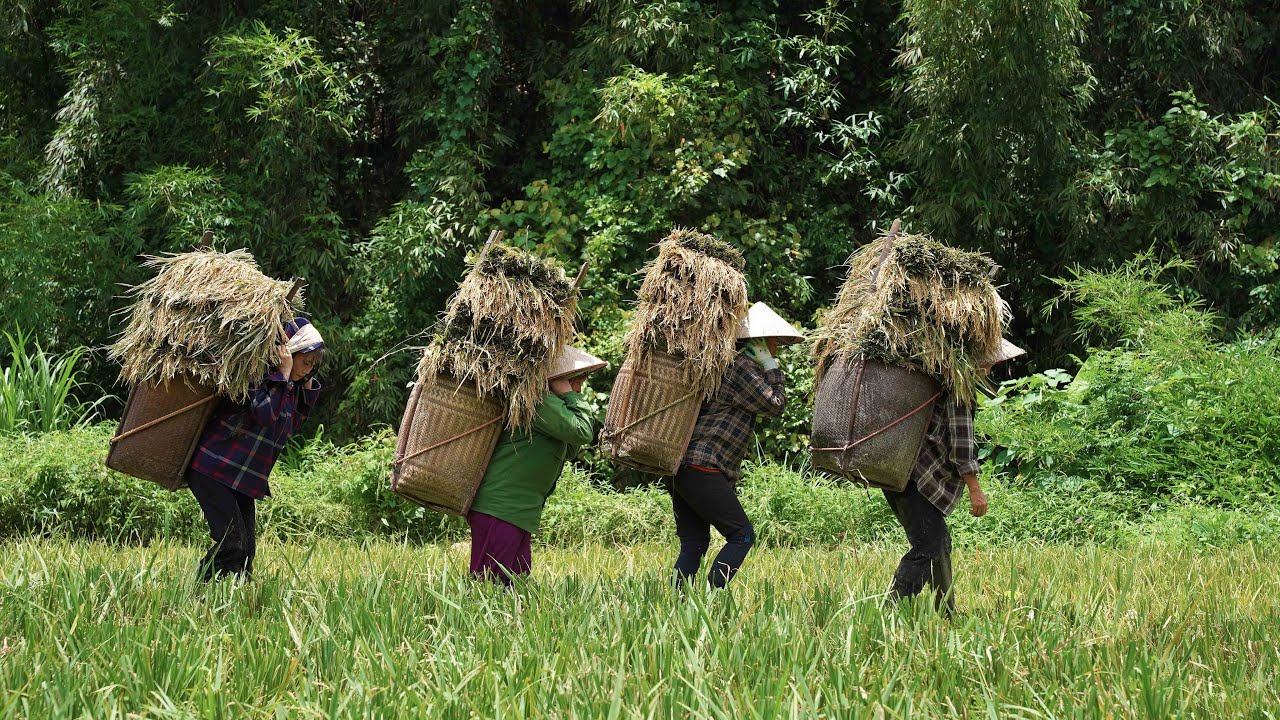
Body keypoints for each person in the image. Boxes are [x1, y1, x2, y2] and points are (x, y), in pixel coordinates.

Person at [882, 338, 1025, 614]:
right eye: (989, 363)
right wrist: (975, 489)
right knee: (928, 546)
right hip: (918, 477)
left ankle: (946, 611)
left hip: (900, 470)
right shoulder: (959, 388)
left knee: (939, 543)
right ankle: (890, 611)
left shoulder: (938, 380)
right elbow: (961, 445)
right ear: (978, 362)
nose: (990, 369)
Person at [669, 302, 802, 589]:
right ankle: (712, 595)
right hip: (704, 464)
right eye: (774, 344)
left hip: (684, 466)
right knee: (742, 535)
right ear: (760, 343)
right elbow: (775, 404)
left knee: (694, 542)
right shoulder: (742, 367)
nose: (777, 350)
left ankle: (676, 603)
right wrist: (771, 366)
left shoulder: (722, 364)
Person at [185, 317, 325, 582]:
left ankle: (236, 599)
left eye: (313, 366)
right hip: (213, 469)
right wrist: (284, 373)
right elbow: (264, 414)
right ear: (289, 353)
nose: (308, 370)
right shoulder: (259, 375)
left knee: (246, 553)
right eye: (306, 362)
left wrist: (304, 381)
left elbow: (292, 423)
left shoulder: (289, 389)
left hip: (241, 478)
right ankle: (197, 591)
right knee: (232, 544)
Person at [466, 346, 605, 586]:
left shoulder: (552, 406)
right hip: (502, 507)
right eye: (577, 381)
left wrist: (569, 401)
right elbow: (582, 431)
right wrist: (570, 396)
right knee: (490, 585)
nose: (579, 389)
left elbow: (570, 448)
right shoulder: (539, 402)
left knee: (515, 583)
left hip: (519, 510)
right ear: (561, 379)